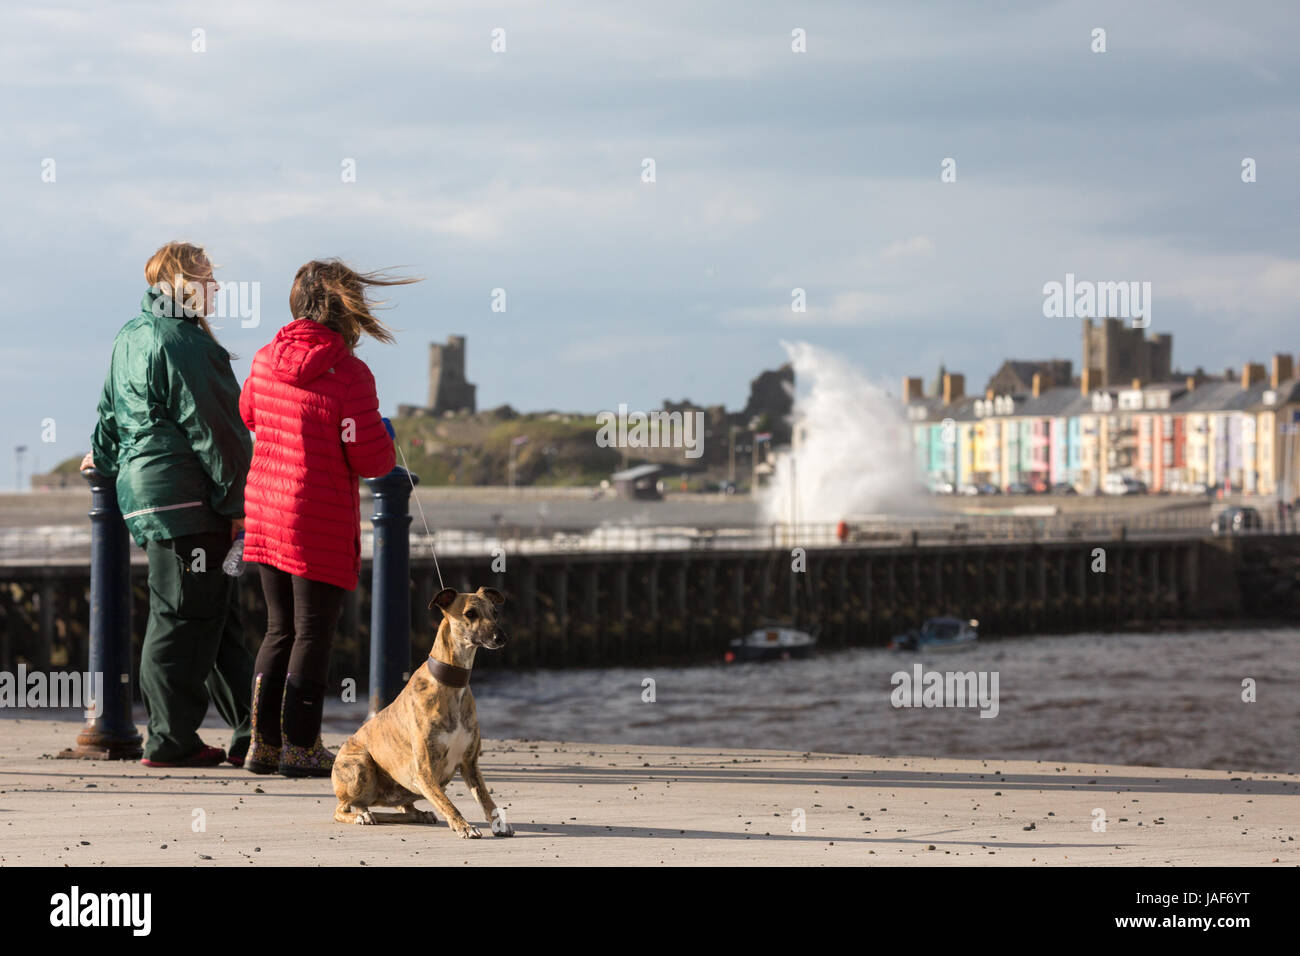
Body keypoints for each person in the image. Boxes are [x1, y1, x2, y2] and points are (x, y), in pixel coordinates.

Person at [239, 260, 412, 776]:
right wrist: (383, 433)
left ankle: (262, 745)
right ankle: (302, 746)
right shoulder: (350, 372)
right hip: (317, 514)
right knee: (314, 632)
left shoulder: (265, 357)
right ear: (349, 310)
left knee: (279, 629)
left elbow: (249, 413)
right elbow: (372, 459)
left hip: (266, 509)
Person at [87, 241, 254, 767]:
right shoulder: (182, 340)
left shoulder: (131, 334)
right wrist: (238, 504)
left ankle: (257, 731)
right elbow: (216, 430)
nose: (218, 288)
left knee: (214, 615)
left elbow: (109, 412)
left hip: (145, 496)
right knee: (181, 616)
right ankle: (169, 741)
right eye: (209, 278)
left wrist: (104, 458)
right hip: (185, 498)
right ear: (183, 281)